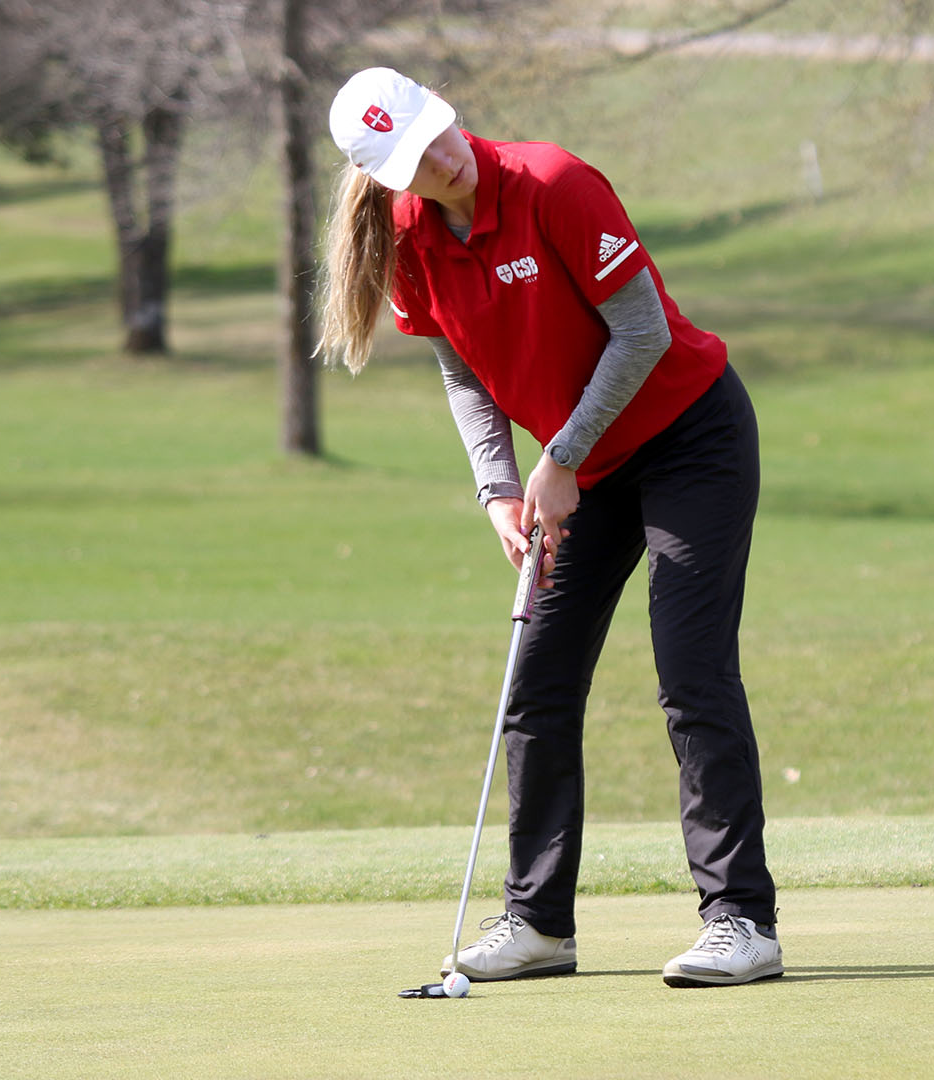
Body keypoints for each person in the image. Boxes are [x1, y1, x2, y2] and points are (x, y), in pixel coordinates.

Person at [317, 67, 780, 988]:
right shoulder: (408, 237)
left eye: (438, 130)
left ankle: (741, 922)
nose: (443, 156)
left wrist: (558, 457)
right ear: (387, 178)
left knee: (690, 672)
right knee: (538, 683)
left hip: (691, 437)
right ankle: (538, 925)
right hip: (581, 466)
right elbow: (461, 371)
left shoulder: (552, 182)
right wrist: (500, 488)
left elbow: (642, 332)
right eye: (416, 157)